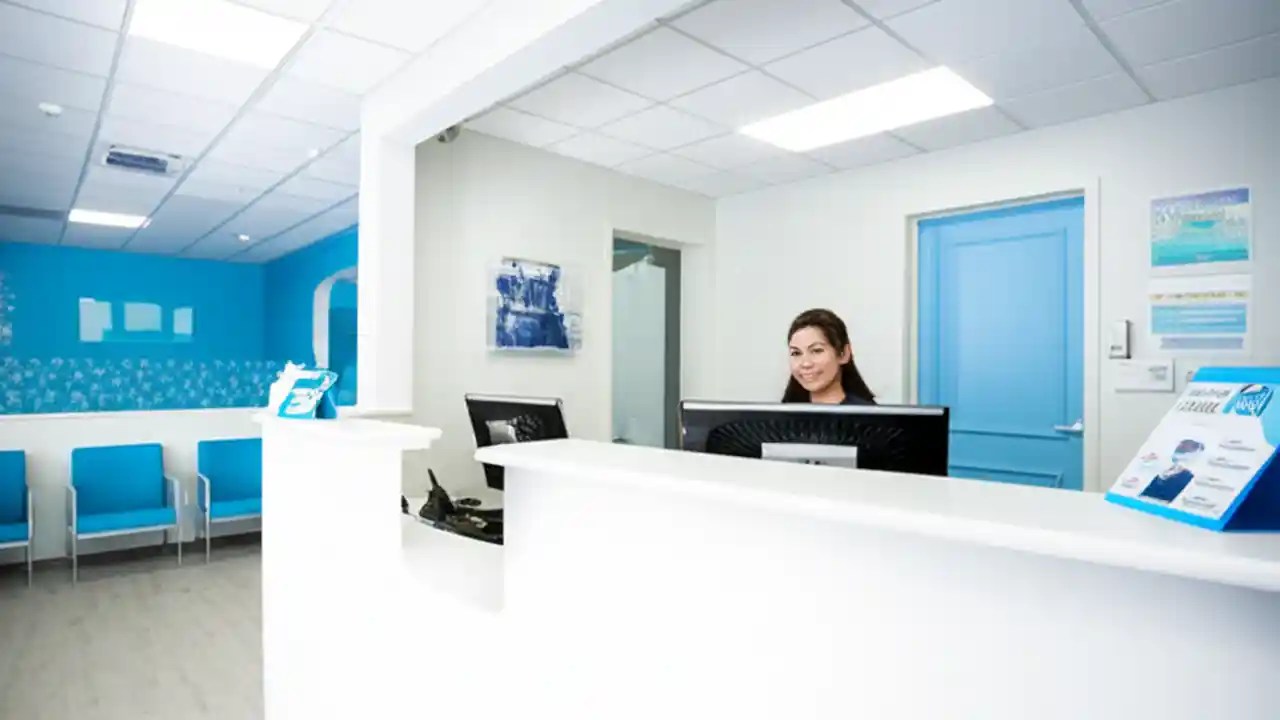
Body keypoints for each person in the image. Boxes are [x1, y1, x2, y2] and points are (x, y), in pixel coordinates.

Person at [782, 308, 876, 405]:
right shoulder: (781, 415)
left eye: (816, 351)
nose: (805, 363)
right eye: (796, 353)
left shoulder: (868, 416)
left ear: (844, 353)